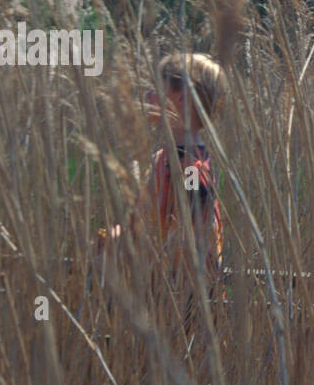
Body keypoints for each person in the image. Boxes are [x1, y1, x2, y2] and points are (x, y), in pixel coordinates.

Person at [97, 53, 227, 286]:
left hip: (183, 301)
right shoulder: (163, 158)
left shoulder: (190, 170)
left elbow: (188, 236)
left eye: (156, 89)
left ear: (184, 99)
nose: (147, 95)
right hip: (161, 291)